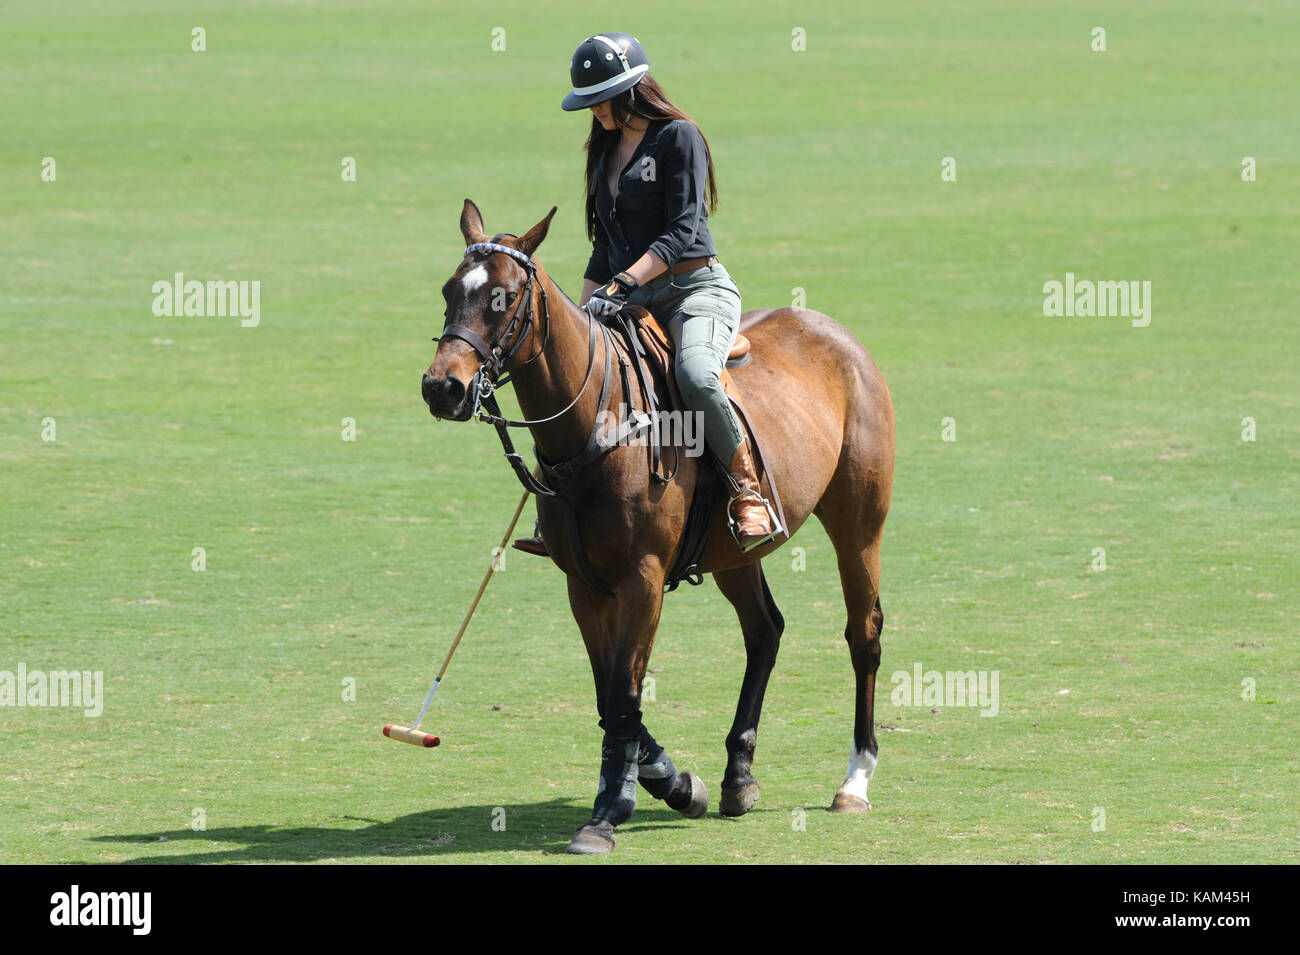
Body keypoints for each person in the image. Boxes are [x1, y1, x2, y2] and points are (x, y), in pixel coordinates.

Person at [513, 31, 779, 558]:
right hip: (626, 297)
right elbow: (601, 245)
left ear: (631, 90)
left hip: (692, 290)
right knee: (574, 375)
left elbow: (682, 231)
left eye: (600, 101)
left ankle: (748, 492)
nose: (595, 112)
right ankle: (560, 512)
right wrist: (585, 310)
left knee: (696, 375)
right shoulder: (604, 149)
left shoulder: (678, 137)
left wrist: (627, 281)